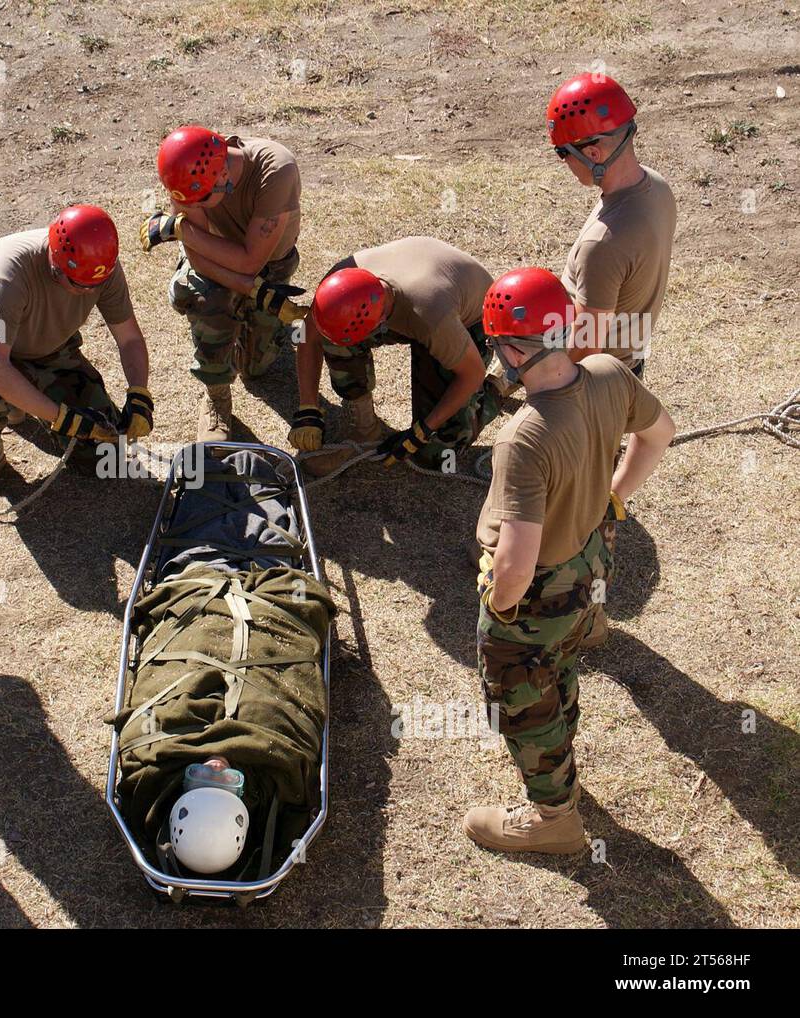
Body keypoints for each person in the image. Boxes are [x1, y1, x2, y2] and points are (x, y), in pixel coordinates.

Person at [465, 267, 674, 855]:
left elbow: (516, 560)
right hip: (592, 555)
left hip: (540, 585)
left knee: (520, 692)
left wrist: (498, 605)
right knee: (559, 662)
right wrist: (615, 494)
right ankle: (560, 753)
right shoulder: (611, 372)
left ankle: (554, 817)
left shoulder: (524, 439)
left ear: (510, 349)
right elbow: (660, 434)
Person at [0, 204, 152, 501]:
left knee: (106, 456)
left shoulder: (102, 269)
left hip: (48, 349)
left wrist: (139, 394)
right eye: (78, 284)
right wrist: (61, 417)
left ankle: (20, 401)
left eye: (96, 285)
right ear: (55, 263)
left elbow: (128, 337)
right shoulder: (10, 273)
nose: (88, 291)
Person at [140, 126, 305, 441]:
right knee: (204, 294)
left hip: (268, 263)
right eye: (186, 204)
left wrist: (178, 229)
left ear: (223, 176)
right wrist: (255, 291)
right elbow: (199, 260)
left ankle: (258, 323)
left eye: (200, 201)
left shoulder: (276, 170)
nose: (192, 208)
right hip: (214, 258)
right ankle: (216, 395)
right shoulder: (187, 172)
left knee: (256, 371)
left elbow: (249, 262)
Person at [289, 238, 498, 475]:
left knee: (435, 452)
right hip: (420, 294)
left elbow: (471, 375)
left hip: (470, 318)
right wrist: (308, 407)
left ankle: (501, 383)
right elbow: (308, 333)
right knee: (332, 335)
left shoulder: (431, 317)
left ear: (379, 323)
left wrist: (422, 431)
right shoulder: (340, 287)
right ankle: (364, 428)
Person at [548, 72, 676, 377]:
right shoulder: (657, 186)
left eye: (562, 152)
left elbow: (585, 345)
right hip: (629, 364)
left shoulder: (603, 243)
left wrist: (538, 375)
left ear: (594, 154)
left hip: (593, 383)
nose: (562, 162)